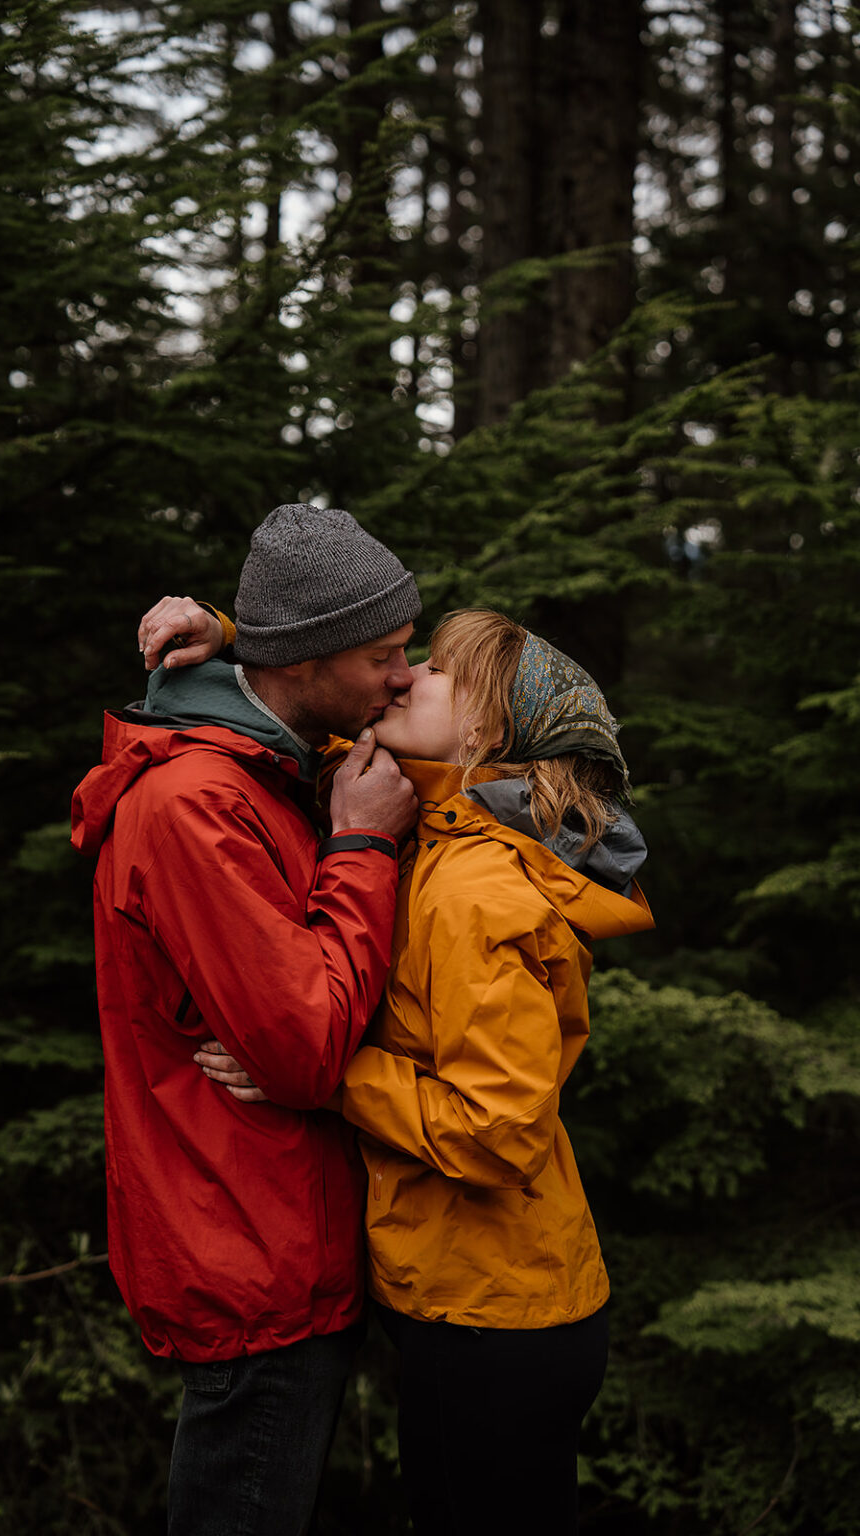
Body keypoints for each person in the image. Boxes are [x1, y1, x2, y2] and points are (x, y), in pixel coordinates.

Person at [183, 606, 654, 1535]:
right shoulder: (438, 825)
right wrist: (238, 637)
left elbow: (501, 1128)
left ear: (483, 731)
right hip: (473, 1298)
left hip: (498, 1321)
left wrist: (315, 1071)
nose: (404, 677)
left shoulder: (475, 891)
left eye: (436, 671)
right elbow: (317, 705)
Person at [71, 502, 421, 1536]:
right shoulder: (198, 807)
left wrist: (231, 633)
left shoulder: (269, 755)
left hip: (273, 1243)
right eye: (386, 657)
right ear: (308, 663)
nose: (406, 676)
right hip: (250, 1261)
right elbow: (307, 1048)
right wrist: (362, 850)